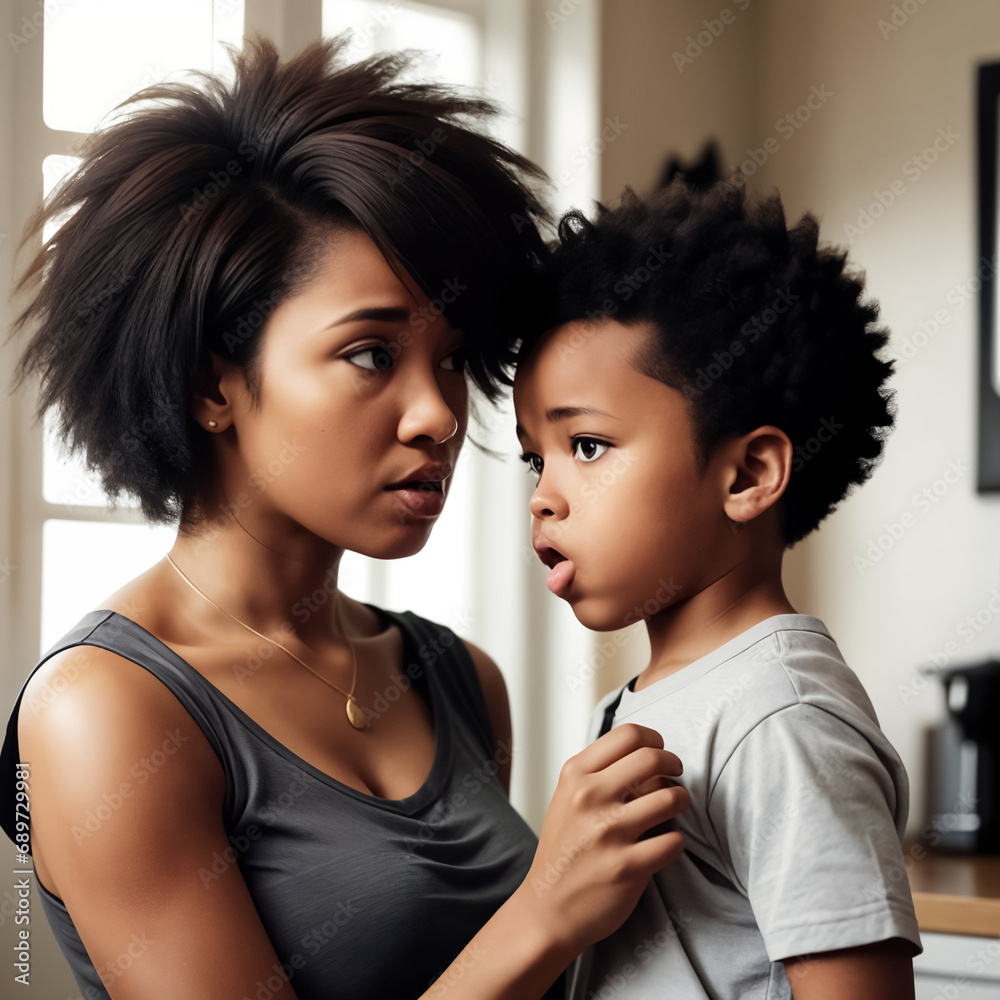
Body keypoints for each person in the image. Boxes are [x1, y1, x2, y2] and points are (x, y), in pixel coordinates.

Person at [0, 35, 692, 1000]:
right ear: (215, 384)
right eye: (372, 354)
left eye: (452, 358)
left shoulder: (458, 680)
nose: (440, 414)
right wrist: (545, 912)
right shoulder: (105, 711)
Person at [511, 180, 923, 999]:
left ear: (748, 474)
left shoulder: (781, 720)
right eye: (536, 456)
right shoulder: (660, 697)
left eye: (586, 446)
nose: (543, 495)